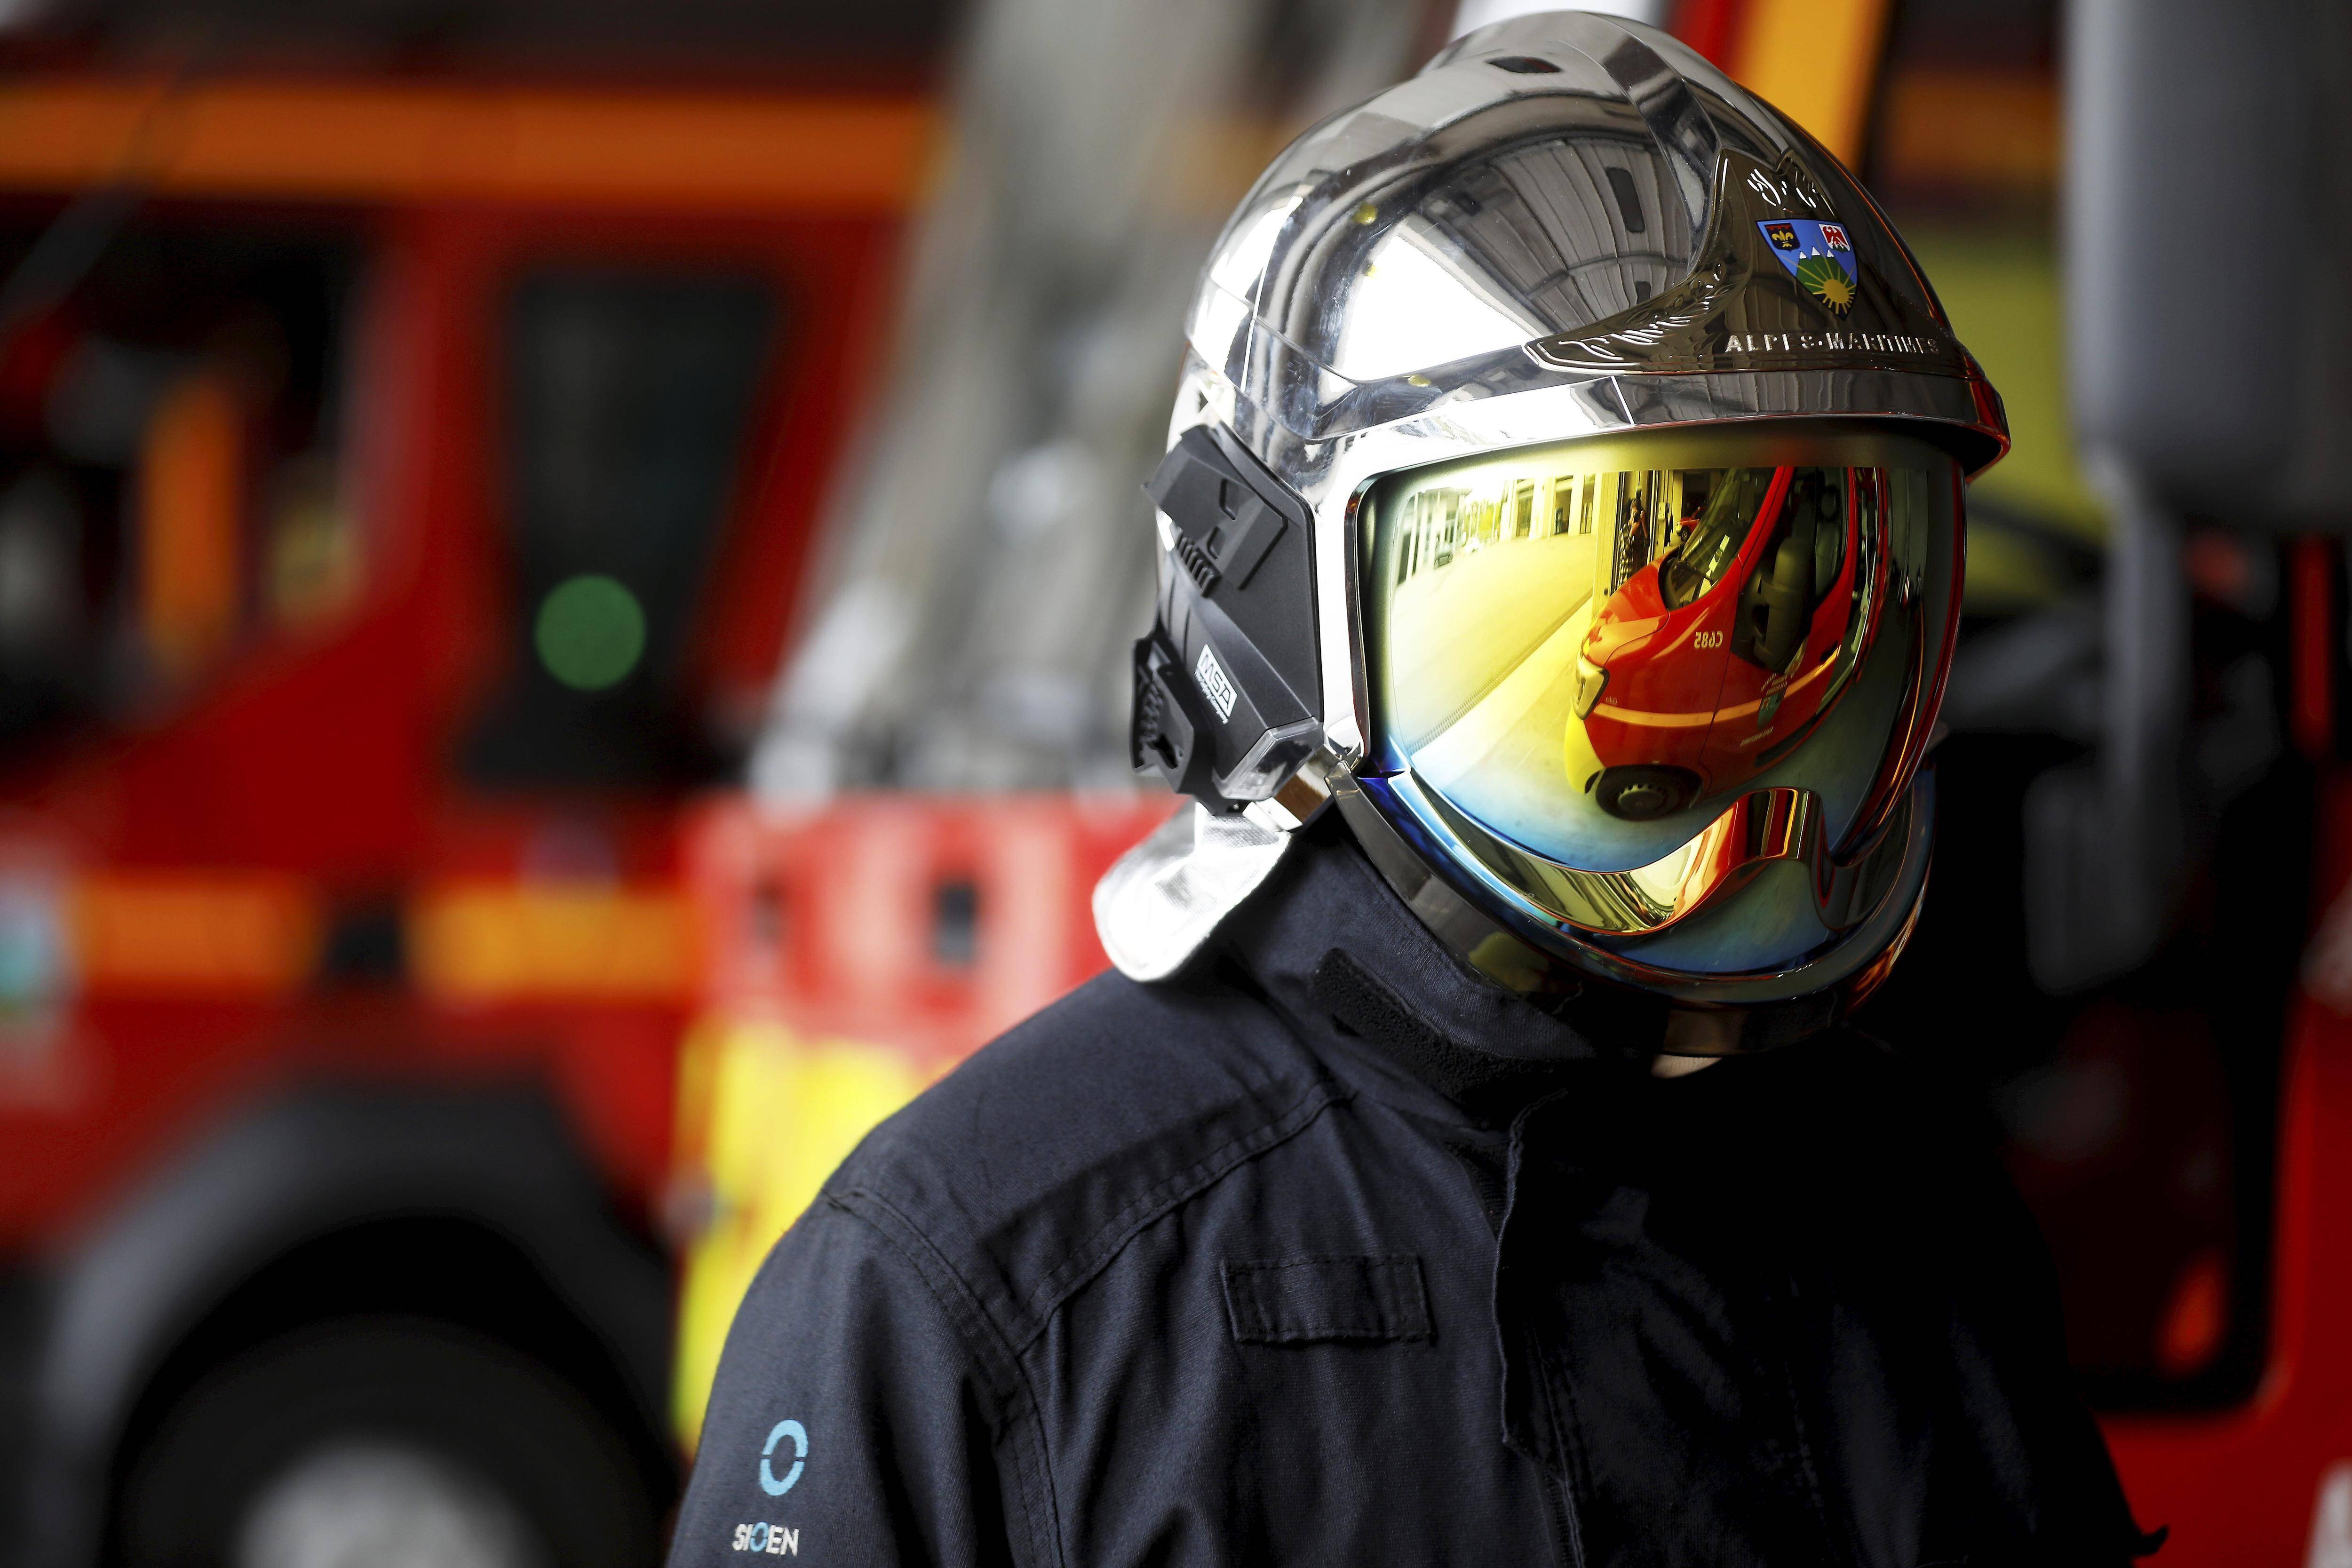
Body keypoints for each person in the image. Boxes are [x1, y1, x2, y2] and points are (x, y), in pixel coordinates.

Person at [668, 13, 2157, 1567]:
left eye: (1830, 566)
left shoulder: (1907, 1216)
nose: (1747, 816)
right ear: (1276, 600)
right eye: (1589, 568)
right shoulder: (987, 1275)